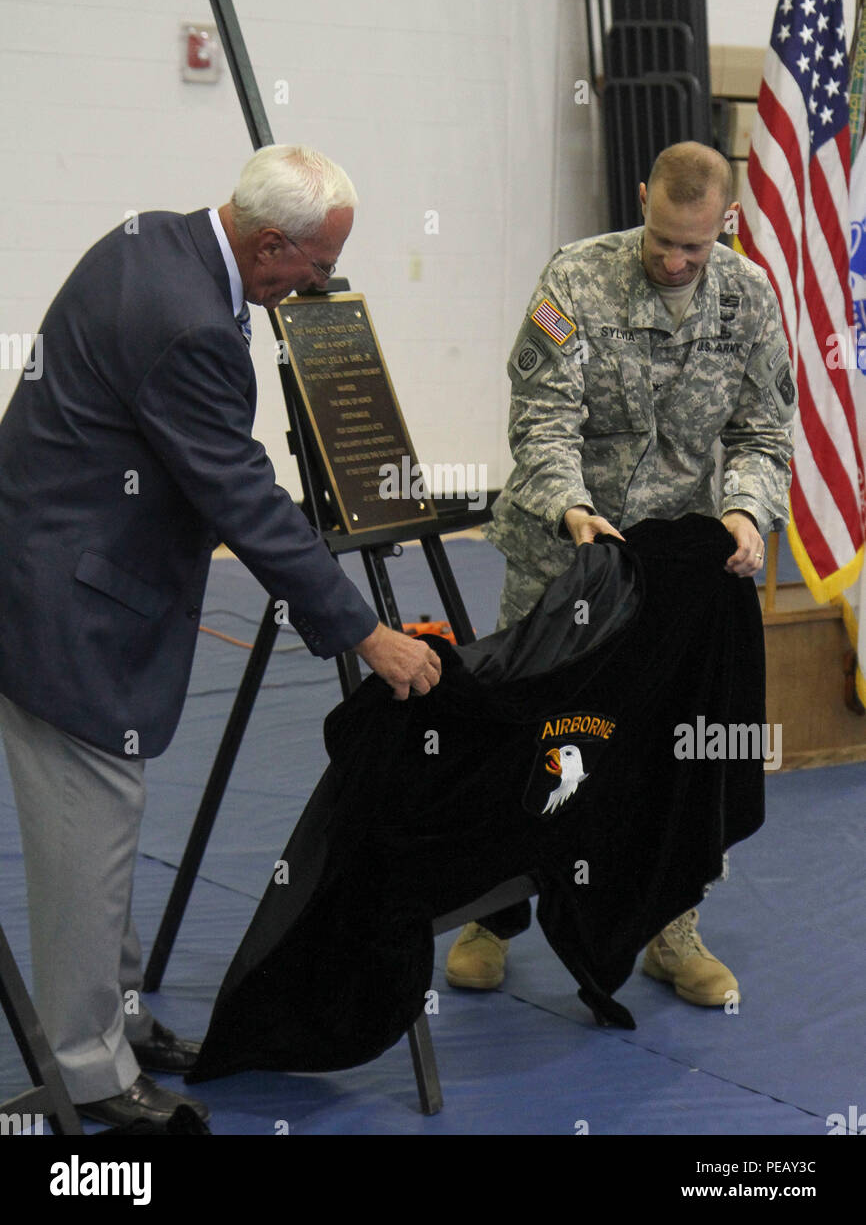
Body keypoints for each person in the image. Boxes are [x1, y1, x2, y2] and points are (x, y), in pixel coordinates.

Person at [0, 144, 441, 1127]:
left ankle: (113, 1020)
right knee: (86, 836)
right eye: (318, 267)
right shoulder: (189, 319)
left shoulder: (154, 237)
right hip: (65, 607)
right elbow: (239, 490)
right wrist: (365, 631)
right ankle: (86, 1072)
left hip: (66, 566)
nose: (322, 286)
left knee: (106, 827)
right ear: (270, 243)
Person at [446, 141, 795, 1005]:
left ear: (726, 223)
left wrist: (748, 510)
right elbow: (543, 417)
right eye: (663, 239)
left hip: (676, 569)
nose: (675, 260)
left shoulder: (749, 297)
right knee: (532, 732)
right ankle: (492, 916)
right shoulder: (575, 279)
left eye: (694, 246)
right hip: (564, 557)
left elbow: (763, 432)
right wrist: (571, 508)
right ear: (642, 199)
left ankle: (670, 931)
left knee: (671, 746)